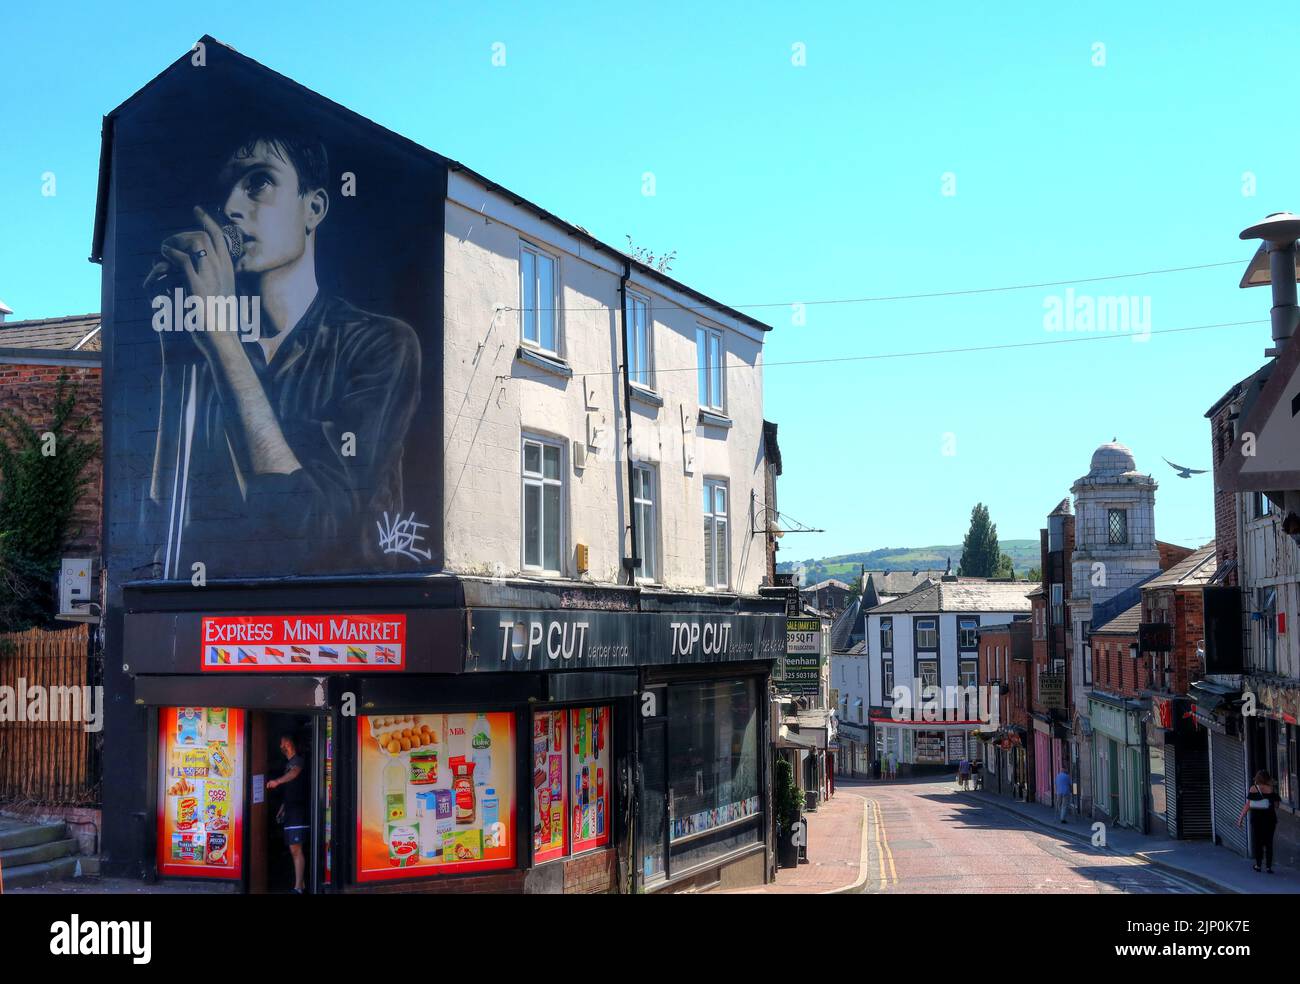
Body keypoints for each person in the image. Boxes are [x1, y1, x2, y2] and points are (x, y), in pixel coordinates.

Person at [142, 127, 423, 578]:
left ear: (313, 208)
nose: (232, 207)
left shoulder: (379, 344)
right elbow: (160, 519)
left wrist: (222, 340)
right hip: (222, 622)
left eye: (258, 181)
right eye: (224, 190)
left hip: (340, 628)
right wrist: (177, 353)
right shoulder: (208, 348)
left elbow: (311, 530)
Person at [267, 733, 308, 893]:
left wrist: (277, 781)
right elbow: (291, 787)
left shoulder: (297, 761)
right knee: (294, 849)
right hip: (290, 810)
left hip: (298, 811)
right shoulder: (288, 763)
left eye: (283, 742)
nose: (280, 746)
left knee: (295, 848)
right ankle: (301, 884)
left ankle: (298, 887)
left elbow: (294, 773)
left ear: (290, 743)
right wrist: (283, 807)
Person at [1237, 770, 1281, 873]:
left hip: (1257, 820)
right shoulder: (1270, 789)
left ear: (1257, 778)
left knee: (1258, 842)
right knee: (1269, 843)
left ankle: (1258, 865)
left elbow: (1248, 805)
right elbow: (1277, 806)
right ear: (1267, 778)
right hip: (1270, 819)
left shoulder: (1253, 788)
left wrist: (1240, 818)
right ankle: (1269, 867)